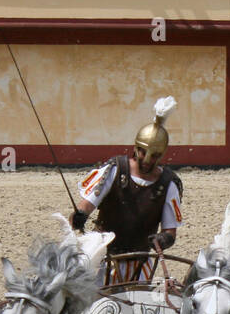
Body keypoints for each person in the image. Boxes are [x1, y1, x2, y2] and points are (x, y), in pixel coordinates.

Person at [70, 96, 183, 282]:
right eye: (143, 152)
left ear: (161, 155)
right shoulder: (115, 170)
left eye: (154, 155)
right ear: (136, 148)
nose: (147, 160)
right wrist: (79, 216)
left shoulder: (167, 184)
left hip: (139, 263)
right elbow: (85, 207)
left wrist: (163, 239)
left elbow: (170, 231)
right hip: (103, 258)